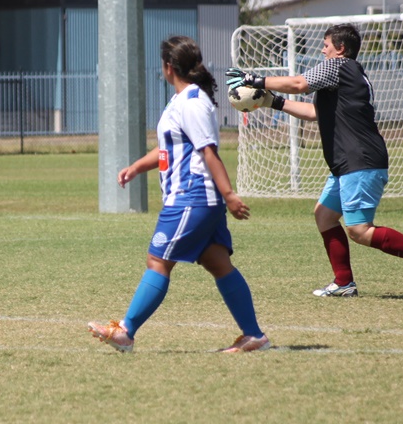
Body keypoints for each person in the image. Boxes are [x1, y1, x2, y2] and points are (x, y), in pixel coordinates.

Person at [226, 23, 403, 297]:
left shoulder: (339, 66)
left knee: (359, 230)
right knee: (325, 216)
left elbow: (299, 83)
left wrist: (254, 80)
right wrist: (273, 102)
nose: (322, 49)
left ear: (340, 49)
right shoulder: (346, 75)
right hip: (348, 163)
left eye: (326, 45)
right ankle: (344, 283)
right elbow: (313, 112)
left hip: (360, 160)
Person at [88, 36, 270, 353]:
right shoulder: (182, 100)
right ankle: (254, 336)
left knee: (158, 260)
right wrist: (135, 168)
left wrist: (229, 194)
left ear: (168, 67)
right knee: (217, 261)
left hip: (192, 196)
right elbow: (168, 150)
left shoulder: (192, 103)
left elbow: (208, 152)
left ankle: (126, 331)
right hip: (198, 198)